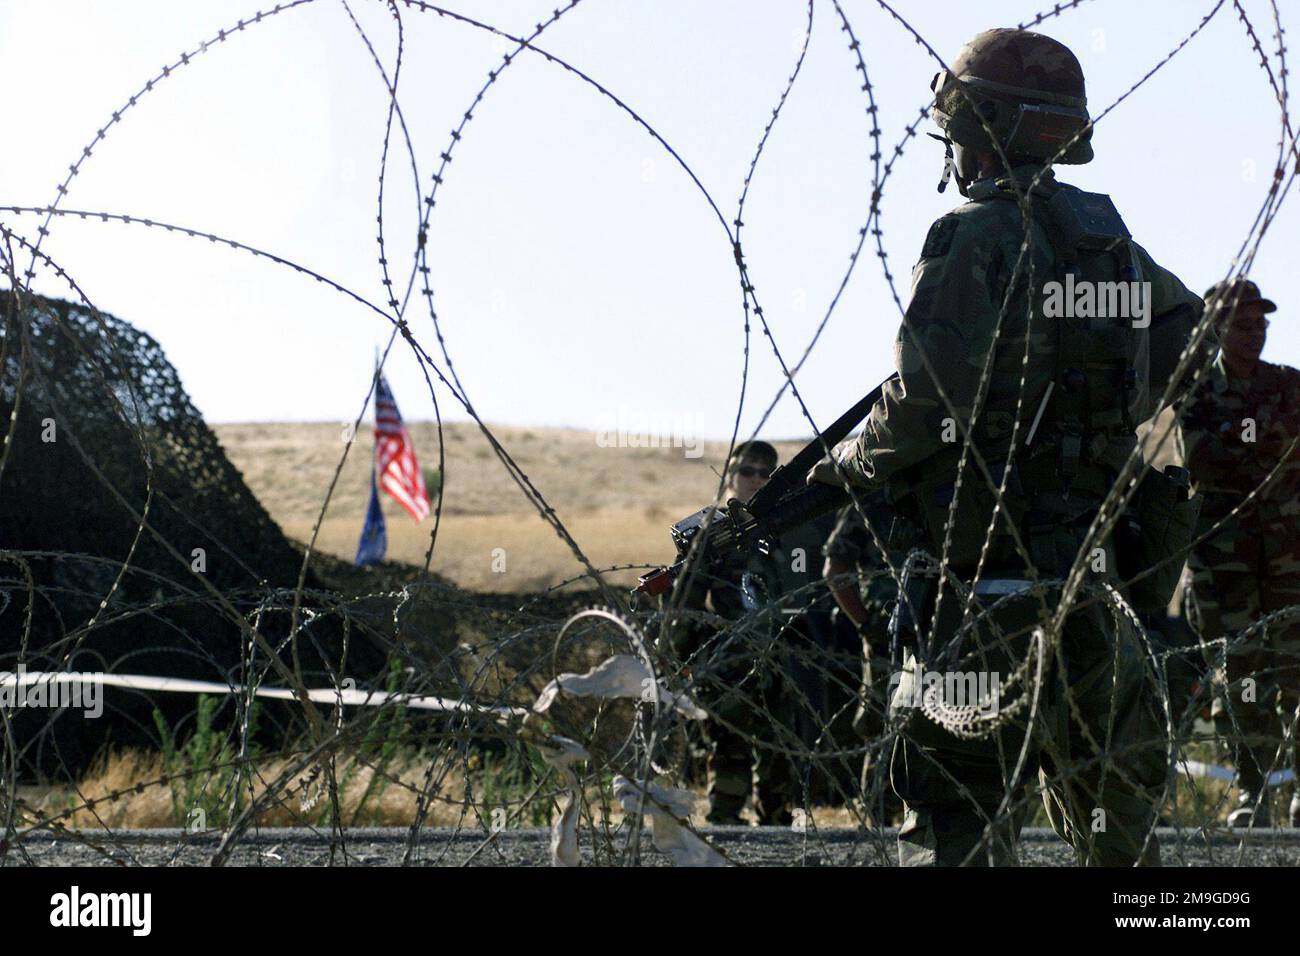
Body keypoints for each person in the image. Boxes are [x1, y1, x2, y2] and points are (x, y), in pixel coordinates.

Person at [811, 27, 1202, 865]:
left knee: (962, 817)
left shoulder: (974, 237)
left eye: (956, 128)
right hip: (1096, 597)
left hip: (982, 600)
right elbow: (1188, 335)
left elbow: (923, 404)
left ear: (979, 127)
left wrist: (845, 469)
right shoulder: (1116, 250)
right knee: (1118, 843)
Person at [1182, 278, 1300, 828]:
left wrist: (1237, 436)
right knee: (1242, 676)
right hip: (1223, 563)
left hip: (1289, 557)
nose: (1255, 332)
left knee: (1297, 672)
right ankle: (1253, 790)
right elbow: (1199, 458)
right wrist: (1260, 436)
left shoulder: (1289, 384)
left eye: (1261, 323)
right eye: (1242, 323)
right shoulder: (1196, 392)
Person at [662, 440, 798, 825]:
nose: (756, 479)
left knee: (780, 744)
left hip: (776, 651)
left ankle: (775, 823)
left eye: (765, 473)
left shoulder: (785, 528)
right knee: (728, 745)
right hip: (727, 655)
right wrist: (683, 655)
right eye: (748, 471)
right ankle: (725, 823)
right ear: (730, 478)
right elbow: (686, 601)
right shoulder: (712, 533)